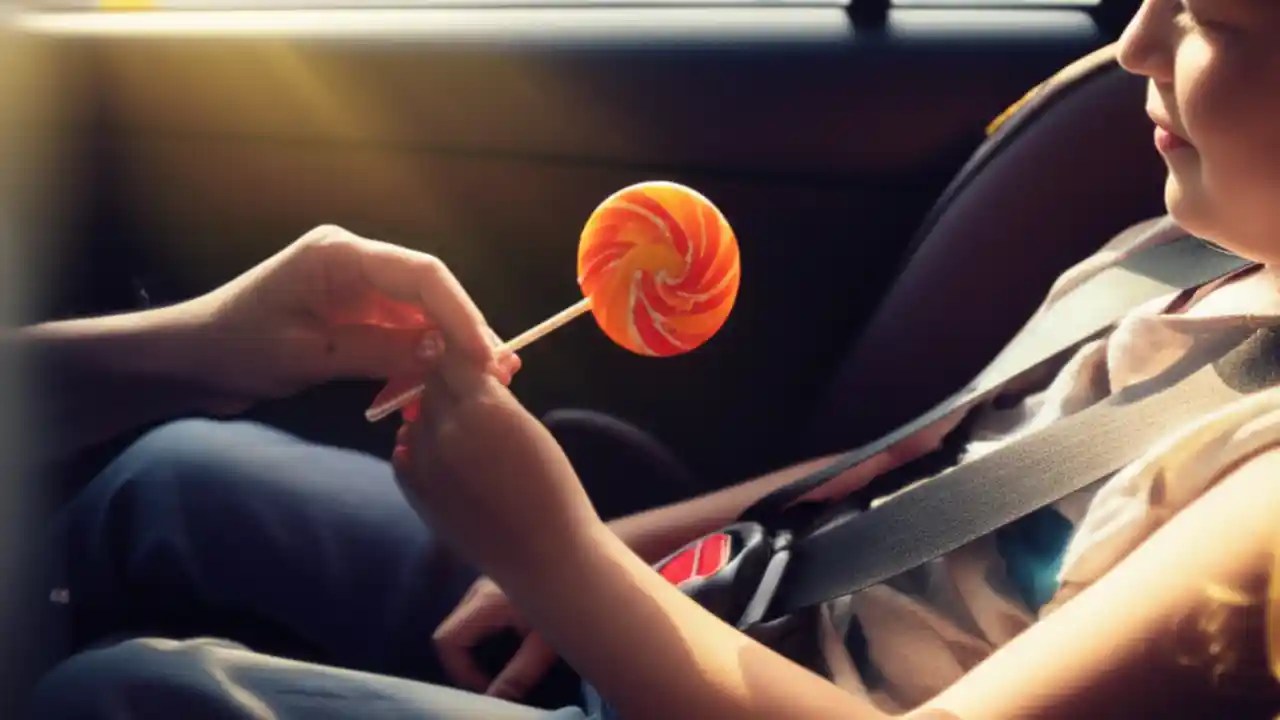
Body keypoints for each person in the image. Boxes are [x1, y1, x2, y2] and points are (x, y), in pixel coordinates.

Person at [21, 0, 1280, 717]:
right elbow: (911, 471)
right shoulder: (1184, 253)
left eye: (1212, 14)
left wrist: (560, 562)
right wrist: (622, 545)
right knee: (178, 476)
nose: (1130, 45)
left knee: (134, 696)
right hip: (721, 603)